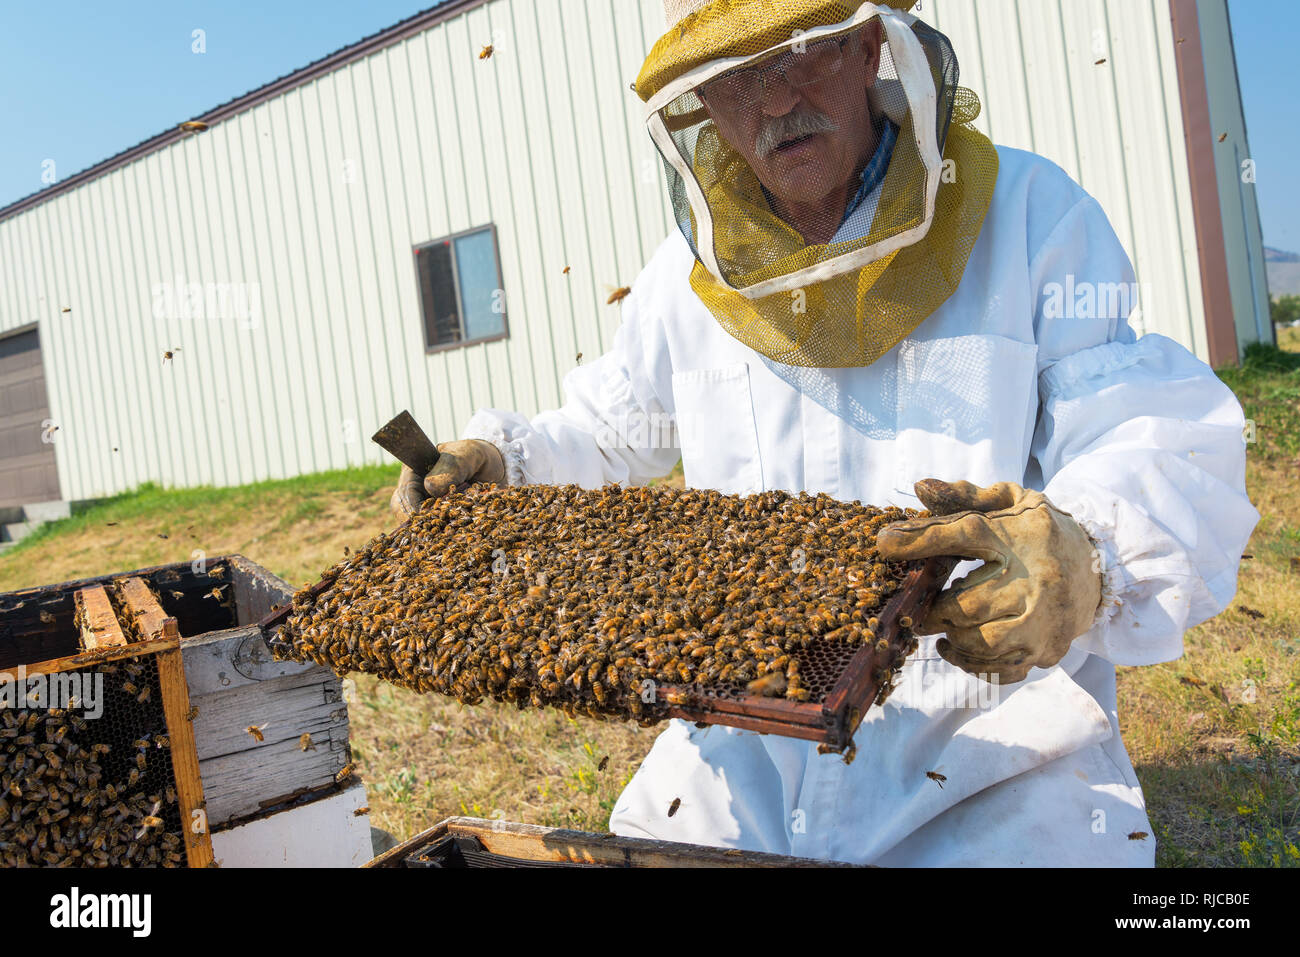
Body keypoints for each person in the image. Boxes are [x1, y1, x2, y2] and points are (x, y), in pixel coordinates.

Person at [391, 0, 1257, 866]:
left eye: (800, 53)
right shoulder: (684, 275)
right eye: (734, 78)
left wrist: (1088, 547)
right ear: (699, 105)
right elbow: (614, 428)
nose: (771, 104)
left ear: (870, 44)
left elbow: (1144, 425)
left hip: (986, 753)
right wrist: (511, 461)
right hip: (746, 742)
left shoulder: (1027, 216)